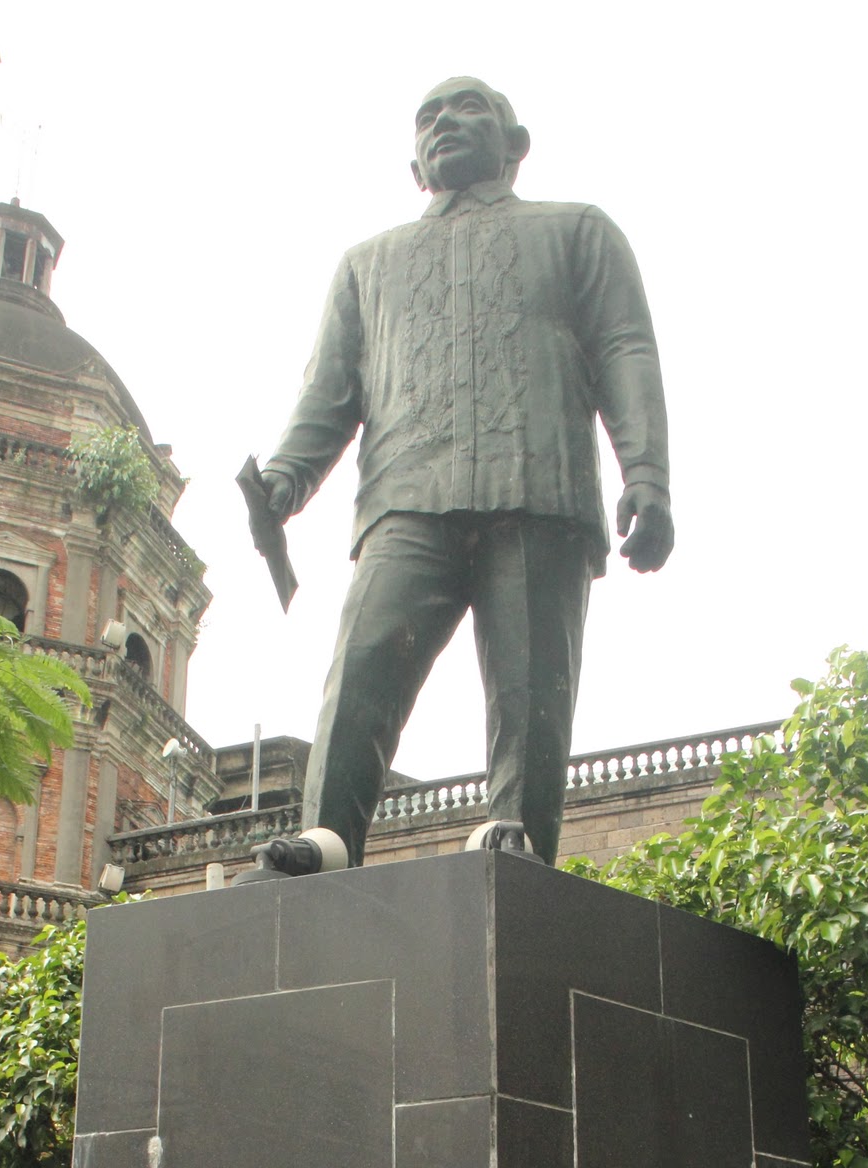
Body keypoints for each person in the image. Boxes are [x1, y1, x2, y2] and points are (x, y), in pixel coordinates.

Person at [254, 76, 673, 871]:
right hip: (407, 497)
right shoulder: (366, 265)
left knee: (530, 690)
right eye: (428, 117)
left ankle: (516, 825)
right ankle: (329, 834)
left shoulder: (578, 231)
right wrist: (288, 476)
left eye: (469, 108)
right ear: (414, 165)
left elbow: (626, 348)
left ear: (517, 146)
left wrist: (645, 472)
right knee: (362, 672)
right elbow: (330, 393)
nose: (445, 122)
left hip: (537, 487)